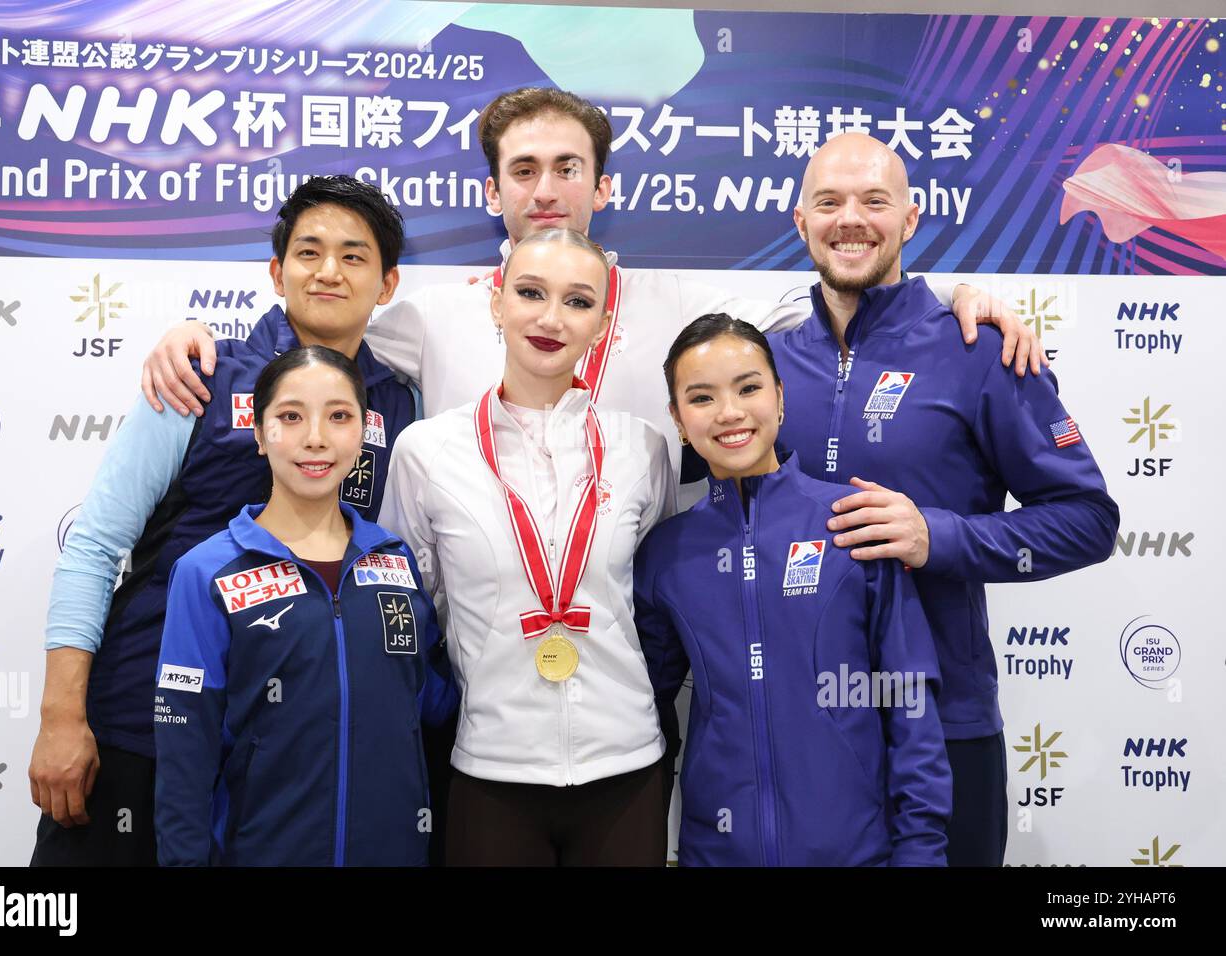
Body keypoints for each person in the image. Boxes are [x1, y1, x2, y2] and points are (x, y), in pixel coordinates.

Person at [141, 87, 1045, 494]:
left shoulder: (691, 309)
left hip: (645, 607)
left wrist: (965, 296)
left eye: (568, 169)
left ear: (603, 189)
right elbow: (321, 323)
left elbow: (844, 294)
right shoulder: (427, 312)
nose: (545, 191)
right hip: (483, 622)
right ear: (491, 194)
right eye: (522, 171)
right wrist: (197, 337)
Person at [28, 176, 416, 866]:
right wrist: (62, 717)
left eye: (354, 257)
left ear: (386, 285)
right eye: (309, 252)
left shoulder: (397, 400)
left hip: (287, 746)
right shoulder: (197, 373)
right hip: (146, 720)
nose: (329, 271)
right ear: (276, 271)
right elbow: (94, 547)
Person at [771, 132, 1120, 866]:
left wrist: (941, 538)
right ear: (799, 221)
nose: (851, 219)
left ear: (911, 217)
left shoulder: (982, 349)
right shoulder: (760, 368)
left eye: (875, 200)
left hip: (944, 723)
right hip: (796, 731)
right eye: (828, 202)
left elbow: (1089, 521)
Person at [379, 228, 676, 866]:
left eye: (578, 301)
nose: (550, 318)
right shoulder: (427, 452)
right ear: (496, 301)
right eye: (531, 292)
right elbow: (408, 610)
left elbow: (652, 599)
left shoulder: (643, 448)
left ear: (603, 323)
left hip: (626, 764)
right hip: (491, 769)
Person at [635, 315, 951, 866]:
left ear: (779, 398)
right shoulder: (666, 554)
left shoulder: (854, 524)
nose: (730, 413)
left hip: (855, 854)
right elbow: (646, 714)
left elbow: (908, 700)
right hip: (717, 854)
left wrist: (921, 850)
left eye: (749, 388)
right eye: (702, 397)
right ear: (678, 420)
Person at [154, 347, 453, 866]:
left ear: (363, 432)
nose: (315, 437)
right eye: (290, 417)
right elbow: (185, 753)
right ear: (259, 432)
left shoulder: (397, 562)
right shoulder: (208, 572)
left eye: (339, 416)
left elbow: (433, 703)